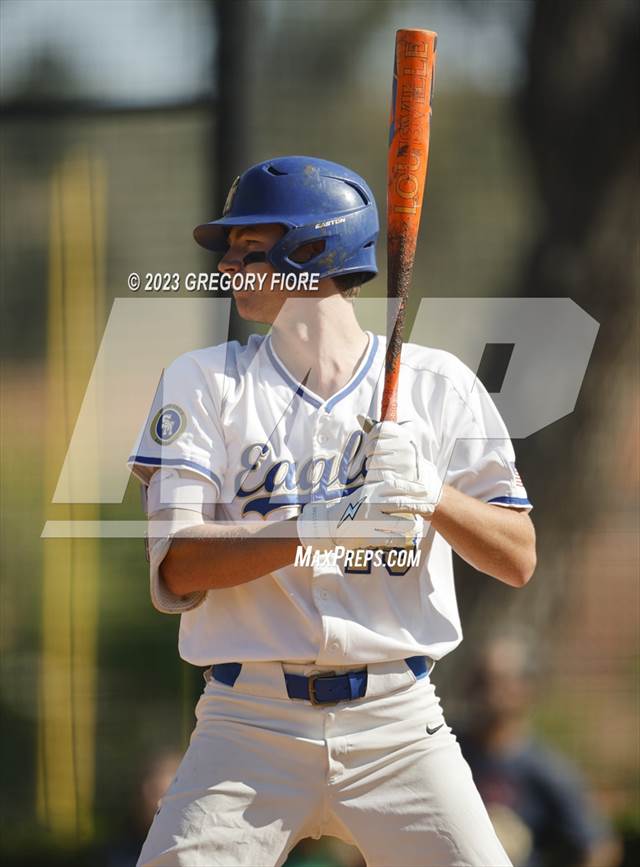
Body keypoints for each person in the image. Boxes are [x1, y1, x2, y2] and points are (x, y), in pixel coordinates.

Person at [128, 155, 537, 867]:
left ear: (312, 250)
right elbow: (181, 565)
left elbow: (518, 555)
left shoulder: (438, 385)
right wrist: (316, 523)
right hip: (245, 723)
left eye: (246, 248)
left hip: (400, 725)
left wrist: (431, 496)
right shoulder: (203, 382)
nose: (227, 264)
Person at [457, 634, 622, 867]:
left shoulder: (547, 769)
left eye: (499, 681)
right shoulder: (450, 754)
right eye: (480, 681)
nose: (487, 693)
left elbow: (600, 846)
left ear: (526, 688)